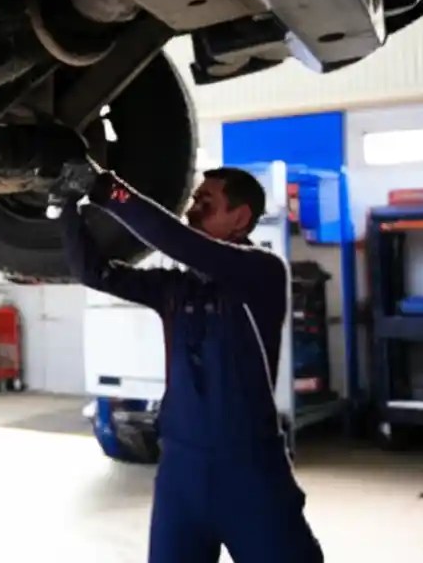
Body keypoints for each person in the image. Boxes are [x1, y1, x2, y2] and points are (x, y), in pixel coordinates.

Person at [52, 161, 323, 563]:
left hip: (250, 475)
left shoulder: (262, 273)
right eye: (193, 200)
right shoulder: (176, 288)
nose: (191, 210)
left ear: (240, 218)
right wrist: (65, 206)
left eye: (205, 203)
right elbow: (95, 273)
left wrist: (106, 187)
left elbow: (179, 242)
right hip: (180, 475)